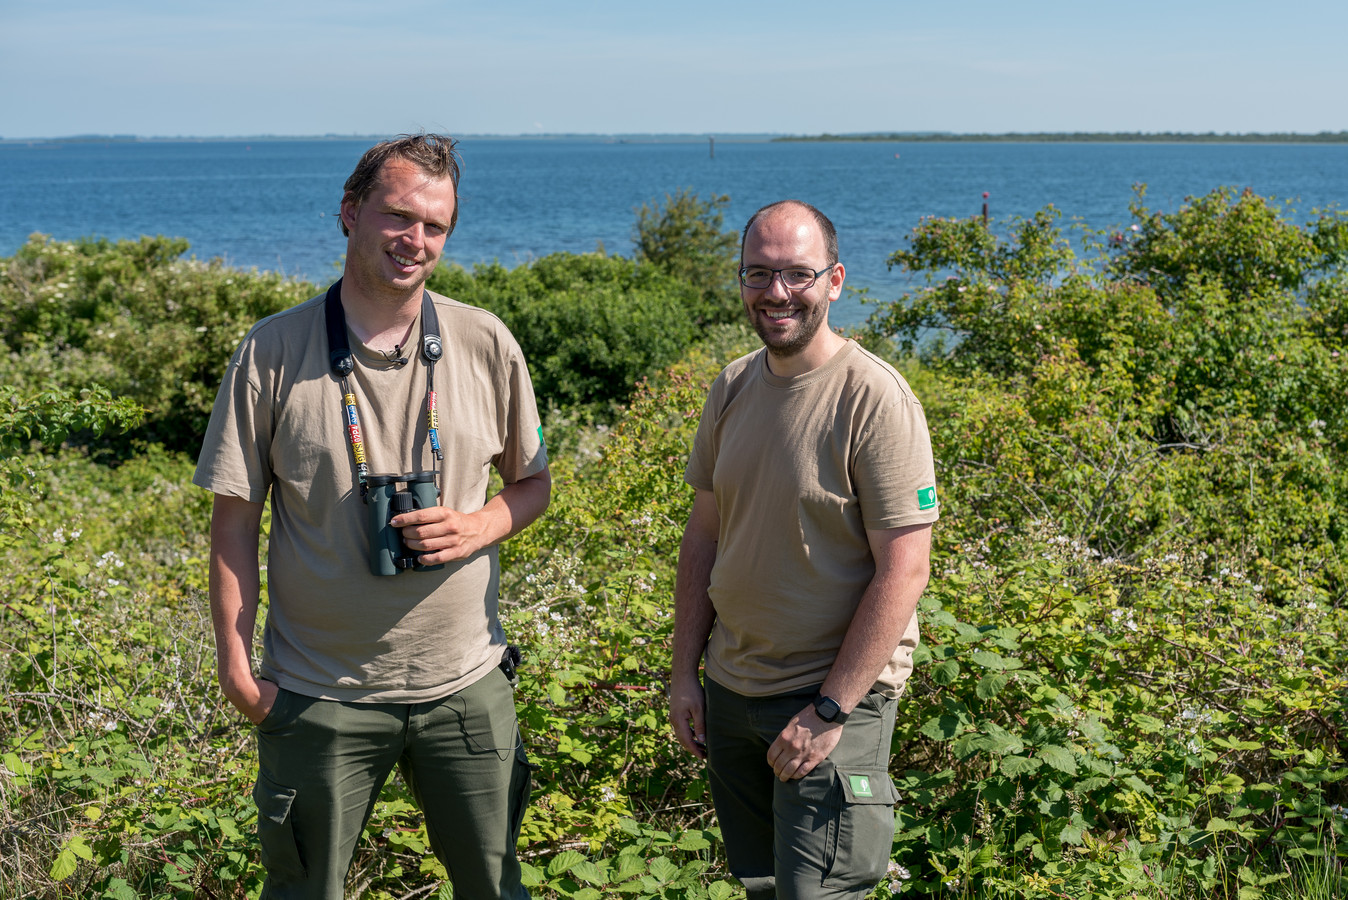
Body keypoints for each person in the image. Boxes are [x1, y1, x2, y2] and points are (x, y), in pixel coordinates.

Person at [195, 133, 550, 900]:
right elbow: (234, 525)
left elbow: (532, 485)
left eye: (434, 226)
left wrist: (477, 526)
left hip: (466, 687)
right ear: (350, 213)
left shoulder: (485, 341)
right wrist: (235, 670)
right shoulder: (272, 351)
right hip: (319, 694)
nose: (415, 240)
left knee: (496, 889)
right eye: (398, 216)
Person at [668, 200, 938, 900]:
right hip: (733, 693)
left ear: (835, 280)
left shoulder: (875, 398)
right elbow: (704, 535)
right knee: (761, 888)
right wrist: (684, 673)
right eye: (758, 273)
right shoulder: (733, 386)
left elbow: (905, 570)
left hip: (827, 702)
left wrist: (829, 711)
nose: (776, 292)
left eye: (797, 273)